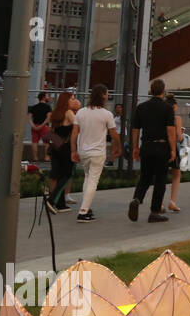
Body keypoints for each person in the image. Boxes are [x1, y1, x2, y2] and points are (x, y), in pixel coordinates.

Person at [129, 78, 175, 223]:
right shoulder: (167, 108)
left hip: (146, 146)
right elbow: (171, 131)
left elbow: (135, 130)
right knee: (160, 179)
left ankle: (137, 199)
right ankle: (154, 212)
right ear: (163, 91)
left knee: (145, 176)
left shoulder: (141, 107)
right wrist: (173, 149)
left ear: (151, 91)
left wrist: (135, 147)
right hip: (161, 146)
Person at [72, 84, 120, 222]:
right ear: (103, 95)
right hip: (98, 152)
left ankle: (85, 207)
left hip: (83, 152)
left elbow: (74, 133)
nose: (107, 96)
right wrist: (118, 147)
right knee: (93, 181)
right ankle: (83, 211)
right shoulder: (107, 114)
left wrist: (73, 150)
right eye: (106, 94)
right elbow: (114, 134)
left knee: (87, 178)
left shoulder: (81, 112)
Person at [45, 91, 77, 212]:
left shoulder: (56, 113)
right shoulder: (69, 113)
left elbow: (51, 133)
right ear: (66, 101)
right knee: (67, 174)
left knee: (58, 174)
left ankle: (60, 204)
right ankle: (52, 200)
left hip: (55, 147)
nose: (74, 101)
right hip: (66, 148)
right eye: (72, 99)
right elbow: (78, 126)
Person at [165, 94, 184, 212]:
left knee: (161, 175)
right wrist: (181, 133)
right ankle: (172, 201)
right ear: (175, 107)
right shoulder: (176, 118)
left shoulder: (161, 117)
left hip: (161, 146)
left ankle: (160, 203)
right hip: (172, 147)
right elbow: (179, 137)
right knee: (176, 174)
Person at [28, 91, 52, 163]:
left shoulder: (34, 107)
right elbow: (48, 118)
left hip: (35, 126)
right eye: (47, 96)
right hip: (44, 127)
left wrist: (33, 125)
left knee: (34, 142)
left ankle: (35, 158)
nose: (48, 97)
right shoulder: (48, 107)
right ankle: (47, 157)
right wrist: (42, 125)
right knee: (47, 143)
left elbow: (29, 117)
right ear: (44, 97)